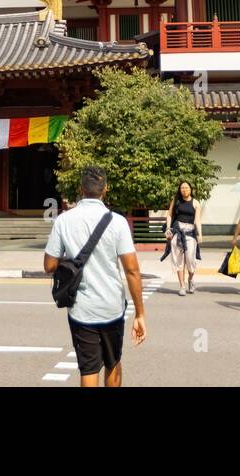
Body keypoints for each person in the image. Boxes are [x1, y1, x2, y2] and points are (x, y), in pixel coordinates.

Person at [43, 166, 147, 387]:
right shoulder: (117, 222)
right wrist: (140, 313)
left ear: (81, 188)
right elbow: (132, 270)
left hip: (81, 309)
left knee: (89, 369)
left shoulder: (63, 220)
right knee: (113, 362)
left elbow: (49, 265)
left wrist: (70, 261)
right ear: (105, 189)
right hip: (112, 307)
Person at [164, 181, 202, 295]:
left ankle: (190, 279)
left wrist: (200, 234)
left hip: (190, 233)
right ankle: (182, 286)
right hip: (178, 232)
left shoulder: (195, 203)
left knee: (190, 260)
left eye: (186, 187)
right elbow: (170, 215)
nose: (184, 189)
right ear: (180, 190)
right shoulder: (175, 201)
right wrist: (168, 228)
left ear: (190, 189)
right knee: (178, 260)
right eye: (182, 188)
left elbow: (198, 220)